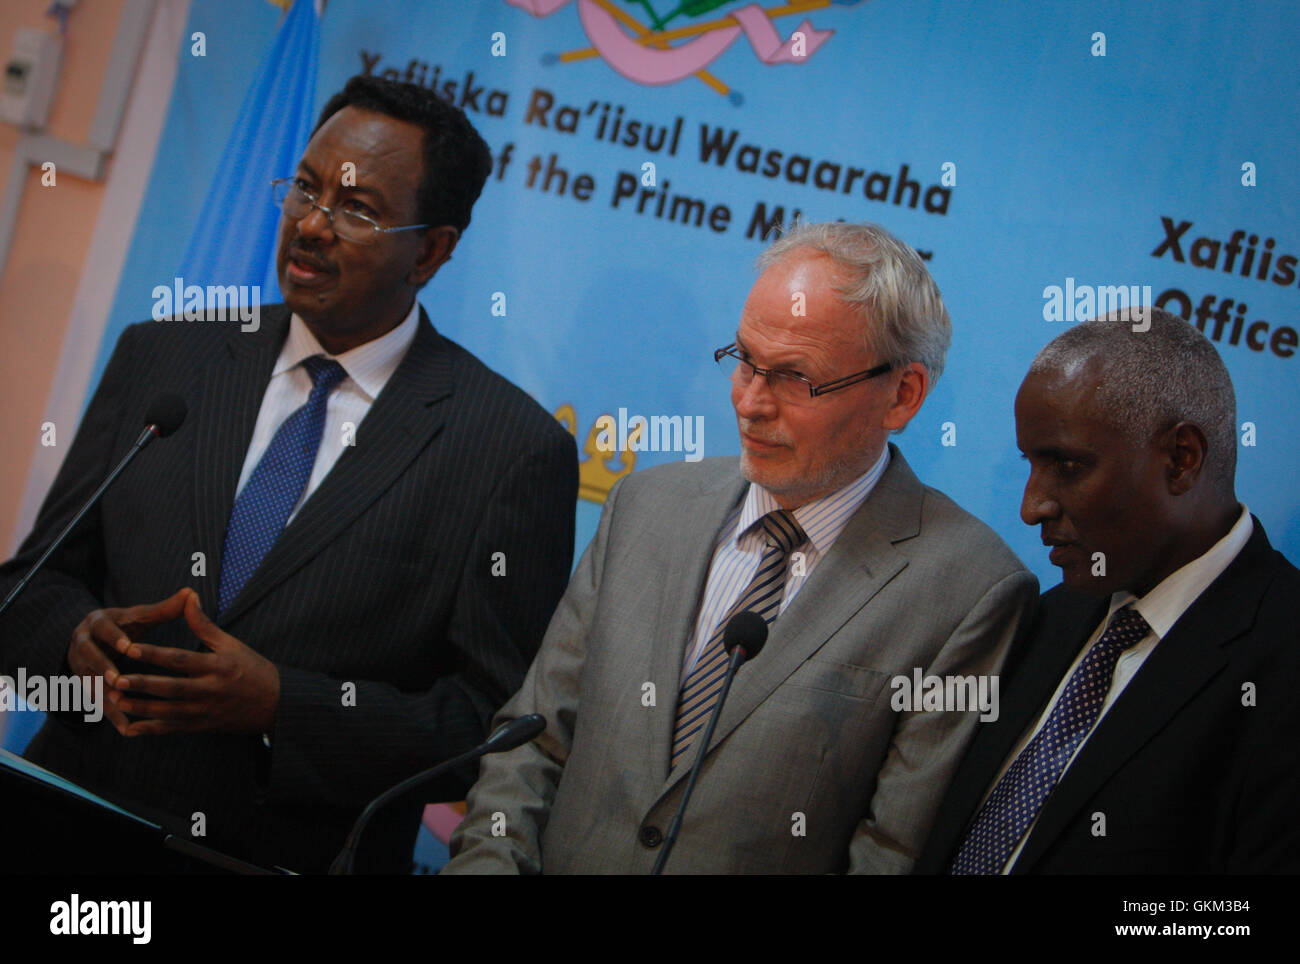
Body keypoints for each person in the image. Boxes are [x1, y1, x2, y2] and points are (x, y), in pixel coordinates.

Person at [0, 75, 577, 873]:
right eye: (304, 188)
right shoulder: (164, 357)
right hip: (74, 823)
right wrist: (73, 642)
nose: (310, 225)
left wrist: (281, 706)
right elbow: (30, 584)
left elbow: (495, 726)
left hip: (285, 857)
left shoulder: (507, 449)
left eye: (357, 209)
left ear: (434, 250)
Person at [443, 221, 1038, 874]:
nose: (750, 403)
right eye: (745, 359)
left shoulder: (968, 590)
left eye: (794, 378)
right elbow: (532, 743)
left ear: (902, 395)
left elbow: (891, 854)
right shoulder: (647, 506)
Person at [916, 307, 1300, 874]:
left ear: (1181, 459)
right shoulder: (1051, 615)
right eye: (1029, 464)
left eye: (1067, 466)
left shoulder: (1281, 663)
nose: (1031, 507)